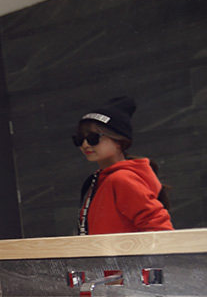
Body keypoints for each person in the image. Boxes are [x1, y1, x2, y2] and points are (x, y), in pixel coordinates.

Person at [73, 96, 173, 234]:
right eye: (79, 139)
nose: (85, 144)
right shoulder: (100, 180)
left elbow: (159, 228)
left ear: (119, 141)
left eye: (93, 138)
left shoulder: (122, 179)